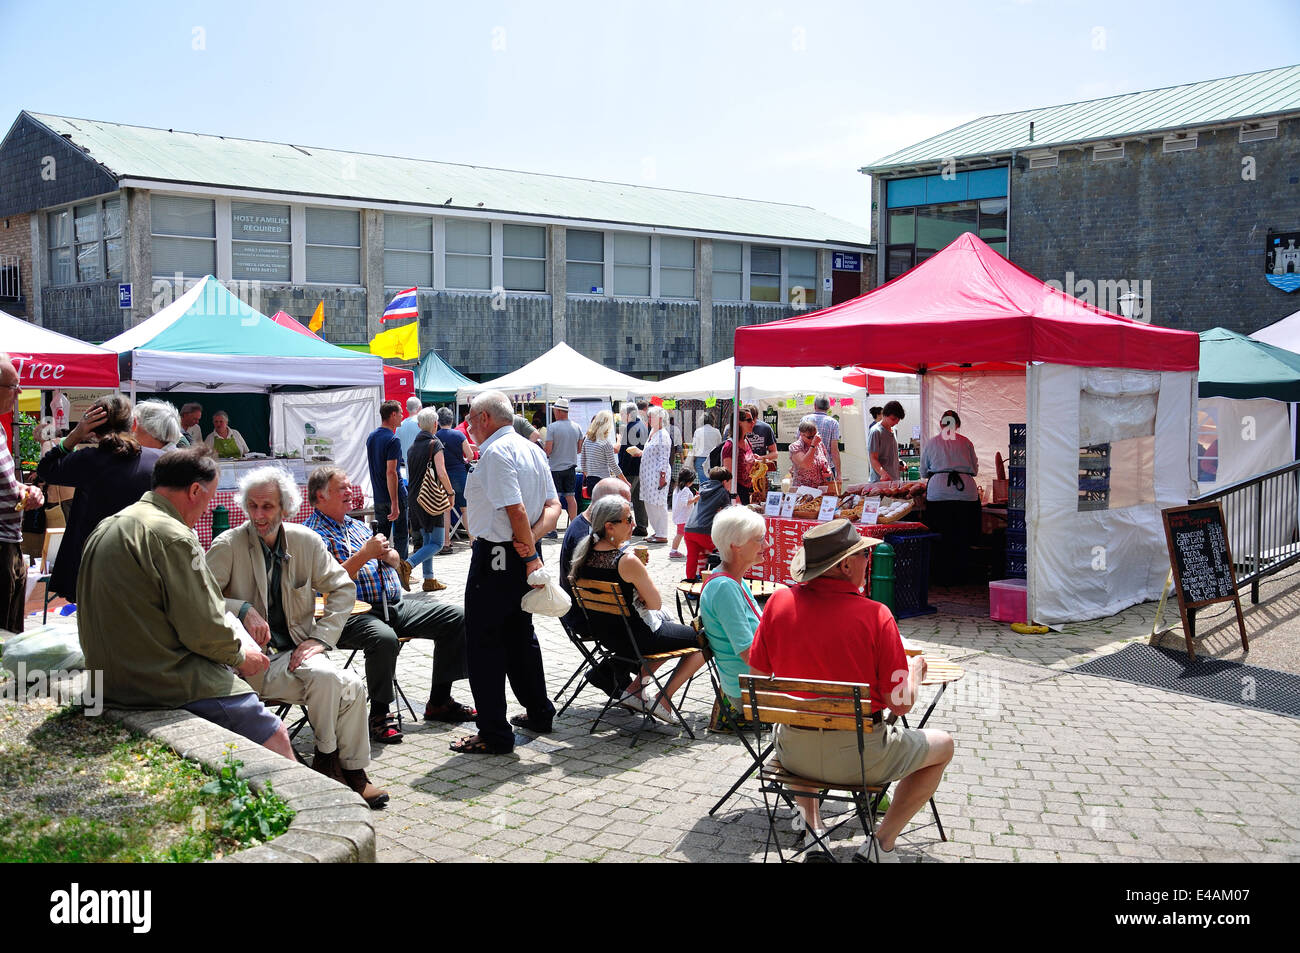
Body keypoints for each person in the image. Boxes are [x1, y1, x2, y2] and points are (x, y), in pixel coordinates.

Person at [749, 519, 954, 861]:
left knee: (804, 714)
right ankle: (881, 843)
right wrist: (915, 673)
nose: (867, 560)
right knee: (944, 744)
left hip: (793, 754)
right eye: (862, 554)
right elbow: (900, 705)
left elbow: (757, 677)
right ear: (844, 565)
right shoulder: (876, 615)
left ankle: (815, 833)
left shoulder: (779, 602)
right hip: (861, 759)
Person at [77, 448, 294, 760]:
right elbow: (202, 627)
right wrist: (239, 656)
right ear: (195, 490)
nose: (208, 510)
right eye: (210, 498)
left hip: (108, 681)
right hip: (158, 683)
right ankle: (291, 808)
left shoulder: (110, 524)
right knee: (275, 735)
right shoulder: (173, 534)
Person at [205, 466, 388, 808]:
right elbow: (200, 599)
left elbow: (342, 588)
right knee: (336, 680)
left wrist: (321, 638)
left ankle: (348, 769)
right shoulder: (228, 545)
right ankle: (331, 762)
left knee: (349, 684)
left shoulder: (306, 541)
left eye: (268, 507)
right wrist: (242, 608)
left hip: (299, 652)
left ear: (286, 508)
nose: (259, 515)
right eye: (253, 506)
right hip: (252, 662)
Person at [304, 466, 474, 744]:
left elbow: (393, 559)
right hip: (349, 614)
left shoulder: (356, 525)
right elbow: (327, 583)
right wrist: (365, 554)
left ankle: (440, 701)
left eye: (350, 486)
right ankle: (379, 714)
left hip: (392, 604)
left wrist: (391, 556)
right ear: (320, 496)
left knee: (457, 617)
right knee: (384, 639)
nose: (350, 493)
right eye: (342, 489)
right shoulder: (312, 535)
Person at [452, 390, 561, 755]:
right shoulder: (530, 448)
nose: (467, 423)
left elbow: (515, 510)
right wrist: (531, 544)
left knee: (485, 644)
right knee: (520, 635)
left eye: (470, 416)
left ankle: (495, 733)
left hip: (500, 556)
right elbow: (553, 507)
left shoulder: (498, 452)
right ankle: (539, 711)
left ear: (485, 417)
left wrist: (527, 549)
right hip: (519, 550)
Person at [568, 495, 705, 723]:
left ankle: (634, 689)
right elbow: (655, 604)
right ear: (609, 526)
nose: (634, 523)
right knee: (702, 639)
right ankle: (662, 699)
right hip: (639, 639)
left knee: (670, 628)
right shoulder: (626, 561)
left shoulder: (583, 555)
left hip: (609, 638)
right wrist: (640, 582)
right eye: (628, 519)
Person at [35, 394, 162, 600]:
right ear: (135, 424)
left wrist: (75, 435)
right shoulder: (157, 461)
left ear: (92, 431)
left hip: (92, 562)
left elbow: (46, 469)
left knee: (91, 629)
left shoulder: (86, 460)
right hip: (141, 560)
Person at [699, 506, 767, 710]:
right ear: (736, 545)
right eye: (759, 539)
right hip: (751, 690)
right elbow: (749, 654)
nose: (766, 544)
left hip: (754, 682)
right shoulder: (724, 588)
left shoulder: (732, 580)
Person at [1, 353, 44, 632]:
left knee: (9, 637)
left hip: (9, 543)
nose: (20, 392)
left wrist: (26, 490)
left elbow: (5, 484)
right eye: (13, 385)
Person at [921, 410, 981, 586]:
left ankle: (941, 576)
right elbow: (975, 469)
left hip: (938, 494)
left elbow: (924, 471)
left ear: (941, 424)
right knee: (963, 536)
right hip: (966, 493)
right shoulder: (966, 442)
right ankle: (962, 575)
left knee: (940, 536)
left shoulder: (932, 443)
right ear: (957, 425)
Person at [366, 400, 413, 586]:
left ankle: (381, 574)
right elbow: (391, 472)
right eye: (400, 413)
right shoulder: (393, 439)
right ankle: (401, 573)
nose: (403, 416)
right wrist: (395, 502)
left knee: (381, 538)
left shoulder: (372, 437)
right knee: (401, 535)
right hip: (393, 495)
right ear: (392, 414)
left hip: (378, 495)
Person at [404, 407, 451, 592]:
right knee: (438, 542)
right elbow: (441, 472)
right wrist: (451, 492)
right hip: (431, 497)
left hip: (415, 497)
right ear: (435, 424)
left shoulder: (411, 448)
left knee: (427, 540)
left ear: (418, 425)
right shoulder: (435, 444)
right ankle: (407, 565)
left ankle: (429, 579)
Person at [682, 466, 734, 580]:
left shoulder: (703, 489)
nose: (730, 485)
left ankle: (691, 580)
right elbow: (729, 513)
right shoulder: (722, 492)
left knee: (693, 557)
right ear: (724, 481)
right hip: (706, 531)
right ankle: (716, 578)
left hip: (689, 529)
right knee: (723, 551)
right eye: (730, 482)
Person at [545, 398, 584, 527]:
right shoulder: (577, 427)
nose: (554, 413)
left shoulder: (552, 427)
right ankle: (574, 526)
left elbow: (548, 450)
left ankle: (552, 528)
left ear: (560, 411)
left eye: (555, 410)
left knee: (554, 499)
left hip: (555, 467)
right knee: (570, 498)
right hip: (571, 467)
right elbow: (579, 449)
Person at [437, 407, 471, 546]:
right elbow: (469, 455)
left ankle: (446, 542)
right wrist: (463, 461)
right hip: (459, 474)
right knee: (465, 508)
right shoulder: (459, 435)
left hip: (443, 475)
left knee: (446, 509)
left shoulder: (436, 436)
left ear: (438, 421)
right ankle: (472, 539)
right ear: (452, 420)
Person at [640, 406, 673, 542]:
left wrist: (662, 476)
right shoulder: (653, 432)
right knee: (650, 503)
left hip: (657, 475)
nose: (649, 419)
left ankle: (662, 534)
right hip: (649, 475)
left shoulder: (663, 435)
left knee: (658, 504)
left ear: (659, 419)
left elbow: (664, 458)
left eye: (651, 417)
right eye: (648, 417)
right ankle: (657, 531)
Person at [579, 410, 624, 499]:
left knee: (594, 507)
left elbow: (583, 463)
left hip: (591, 480)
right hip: (603, 480)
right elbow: (613, 465)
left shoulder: (587, 440)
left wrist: (589, 475)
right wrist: (624, 481)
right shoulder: (605, 442)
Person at [620, 400, 649, 535]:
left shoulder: (631, 427)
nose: (621, 416)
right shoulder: (642, 425)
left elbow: (627, 452)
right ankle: (642, 526)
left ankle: (624, 527)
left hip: (630, 469)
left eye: (622, 413)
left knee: (624, 499)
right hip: (640, 467)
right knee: (638, 498)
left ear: (628, 414)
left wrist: (621, 471)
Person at [720, 409, 758, 504]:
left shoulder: (747, 441)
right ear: (739, 422)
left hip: (747, 492)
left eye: (753, 419)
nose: (753, 422)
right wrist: (735, 498)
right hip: (735, 495)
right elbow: (727, 478)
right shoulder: (730, 446)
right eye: (749, 420)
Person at [801, 396, 842, 479]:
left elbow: (799, 445)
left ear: (815, 405)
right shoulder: (833, 423)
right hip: (826, 468)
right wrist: (839, 474)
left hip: (807, 466)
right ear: (828, 407)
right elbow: (834, 451)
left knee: (806, 491)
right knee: (826, 491)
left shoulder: (805, 419)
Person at [789, 419, 835, 488]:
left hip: (820, 488)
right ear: (801, 434)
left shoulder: (819, 444)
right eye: (810, 437)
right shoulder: (795, 447)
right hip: (803, 489)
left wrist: (827, 470)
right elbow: (805, 464)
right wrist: (813, 446)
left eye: (815, 436)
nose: (813, 439)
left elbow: (824, 461)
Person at [868, 400, 906, 483]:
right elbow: (873, 458)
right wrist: (883, 474)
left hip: (895, 480)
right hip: (879, 482)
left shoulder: (894, 430)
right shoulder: (876, 431)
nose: (896, 422)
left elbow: (889, 455)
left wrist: (899, 462)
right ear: (884, 415)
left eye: (898, 420)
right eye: (893, 419)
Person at [668, 467, 697, 559]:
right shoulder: (685, 490)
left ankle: (679, 550)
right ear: (689, 481)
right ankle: (674, 550)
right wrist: (695, 499)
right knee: (681, 534)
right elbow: (685, 502)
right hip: (683, 517)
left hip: (680, 516)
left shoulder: (678, 488)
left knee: (683, 534)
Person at [743, 404, 779, 469]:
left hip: (759, 471)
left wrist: (761, 458)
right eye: (748, 420)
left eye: (753, 419)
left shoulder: (765, 428)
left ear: (757, 417)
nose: (752, 423)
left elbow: (774, 453)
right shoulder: (735, 428)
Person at [689, 413, 722, 486]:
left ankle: (704, 496)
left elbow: (694, 447)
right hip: (713, 459)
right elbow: (719, 446)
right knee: (713, 483)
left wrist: (692, 460)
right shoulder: (717, 431)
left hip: (700, 460)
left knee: (703, 483)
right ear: (712, 421)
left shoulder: (698, 431)